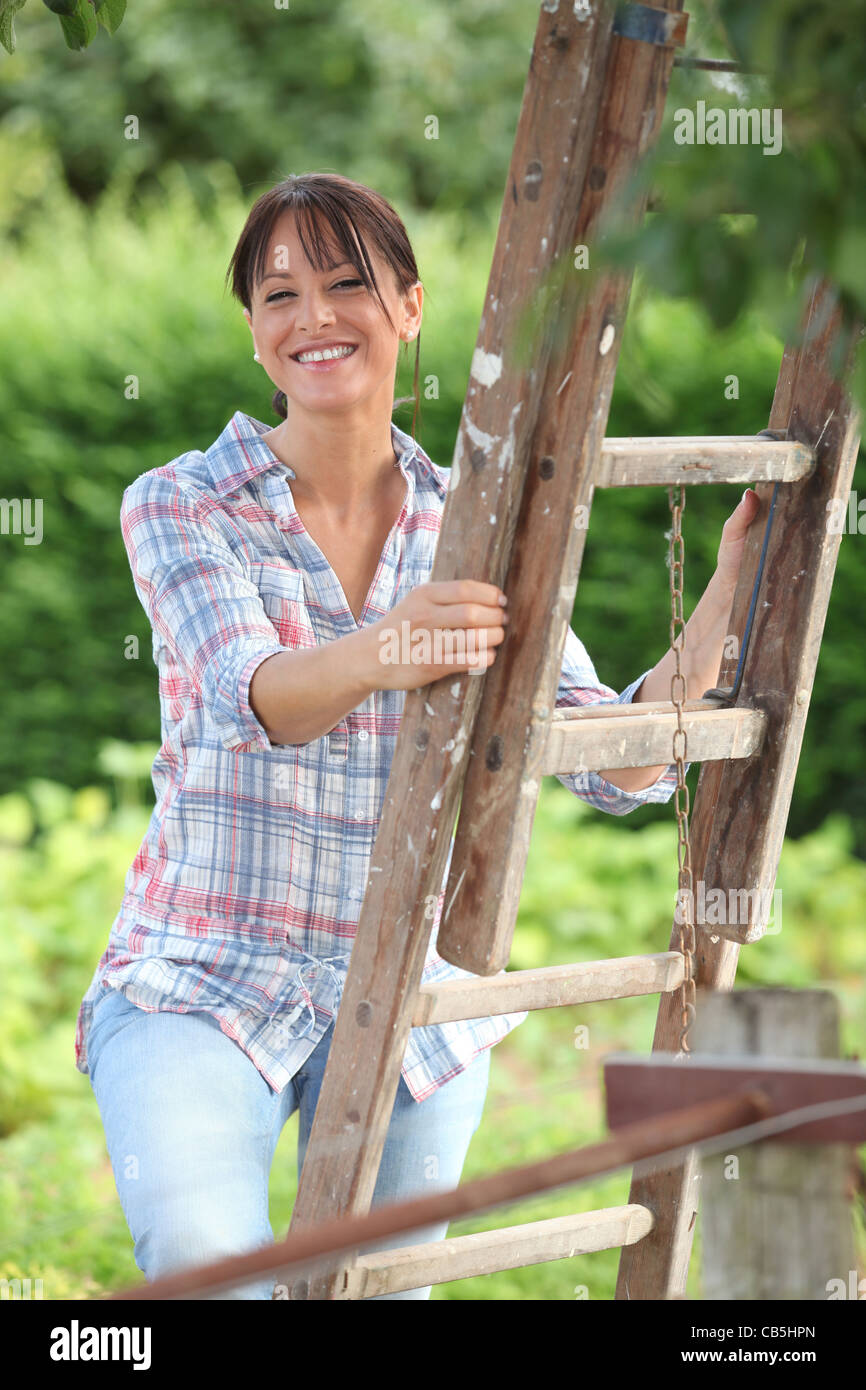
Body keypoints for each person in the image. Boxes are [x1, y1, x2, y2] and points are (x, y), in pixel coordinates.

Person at [74, 171, 759, 1301]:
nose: (312, 318)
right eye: (279, 295)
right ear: (252, 331)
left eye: (347, 284)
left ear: (409, 306)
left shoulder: (470, 529)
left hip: (409, 999)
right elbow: (264, 695)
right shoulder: (180, 502)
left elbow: (618, 756)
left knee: (382, 1296)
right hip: (197, 976)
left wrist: (731, 581)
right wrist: (394, 646)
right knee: (206, 1269)